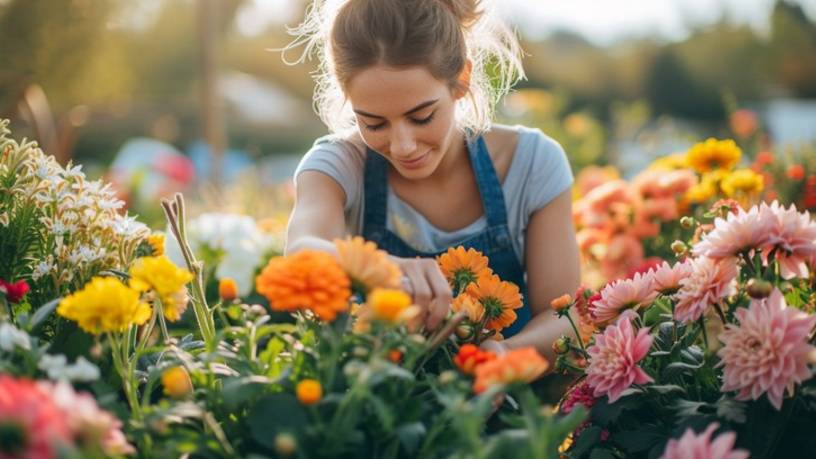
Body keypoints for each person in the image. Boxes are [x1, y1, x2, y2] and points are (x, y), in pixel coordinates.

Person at [283, 0, 580, 362]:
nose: (402, 145)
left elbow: (563, 315)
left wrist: (502, 355)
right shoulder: (338, 164)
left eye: (422, 117)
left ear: (462, 80)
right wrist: (383, 267)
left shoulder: (532, 163)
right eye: (374, 124)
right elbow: (302, 250)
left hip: (512, 406)